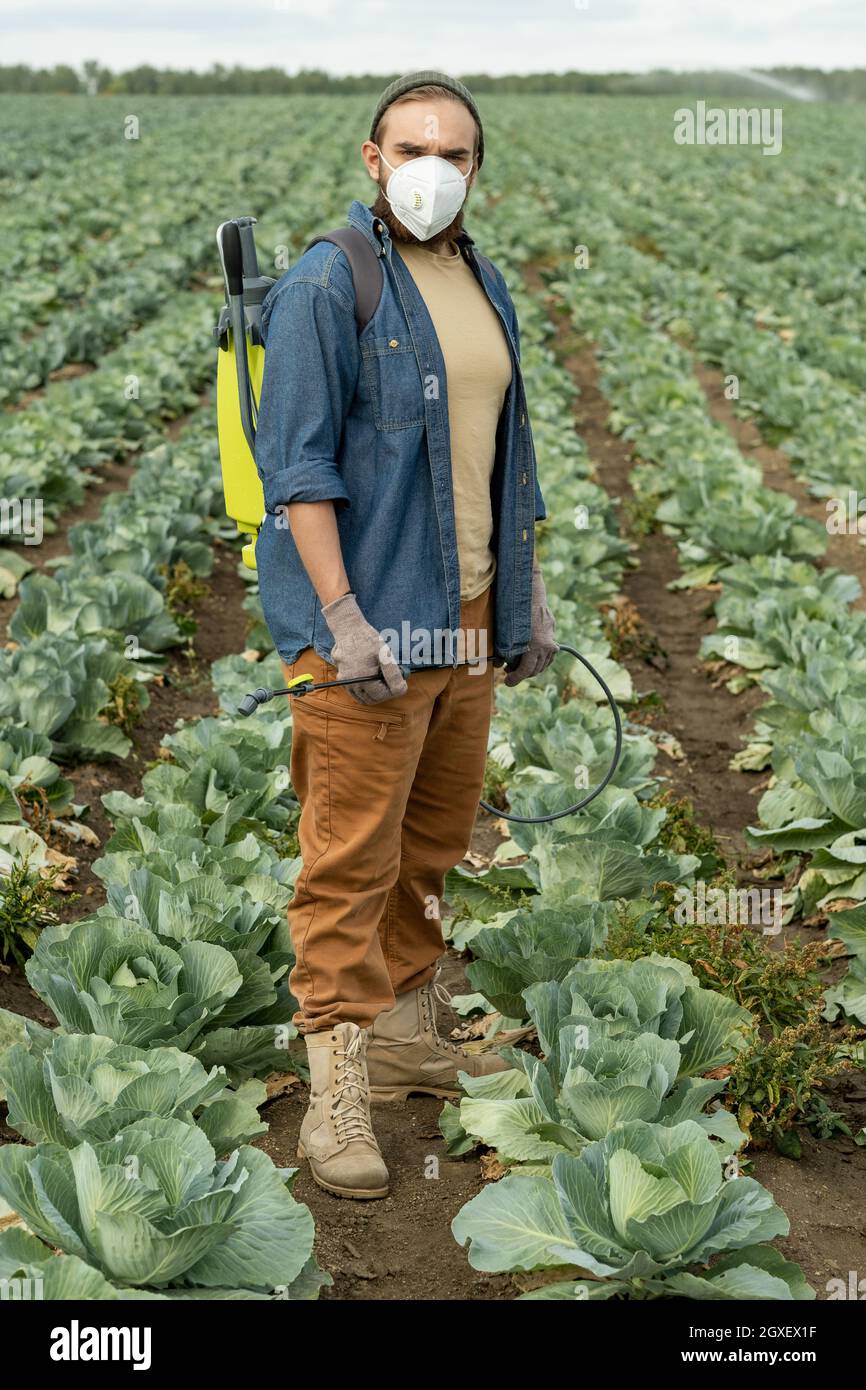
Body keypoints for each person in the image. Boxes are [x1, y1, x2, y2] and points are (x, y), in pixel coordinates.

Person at [254, 71, 557, 1200]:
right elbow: (298, 475)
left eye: (456, 152)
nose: (435, 167)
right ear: (371, 160)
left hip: (466, 620)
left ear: (478, 167)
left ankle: (405, 1035)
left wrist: (523, 600)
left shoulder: (481, 281)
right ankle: (334, 1088)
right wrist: (339, 621)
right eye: (412, 147)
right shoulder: (327, 286)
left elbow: (499, 452)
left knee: (431, 844)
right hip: (370, 628)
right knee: (347, 863)